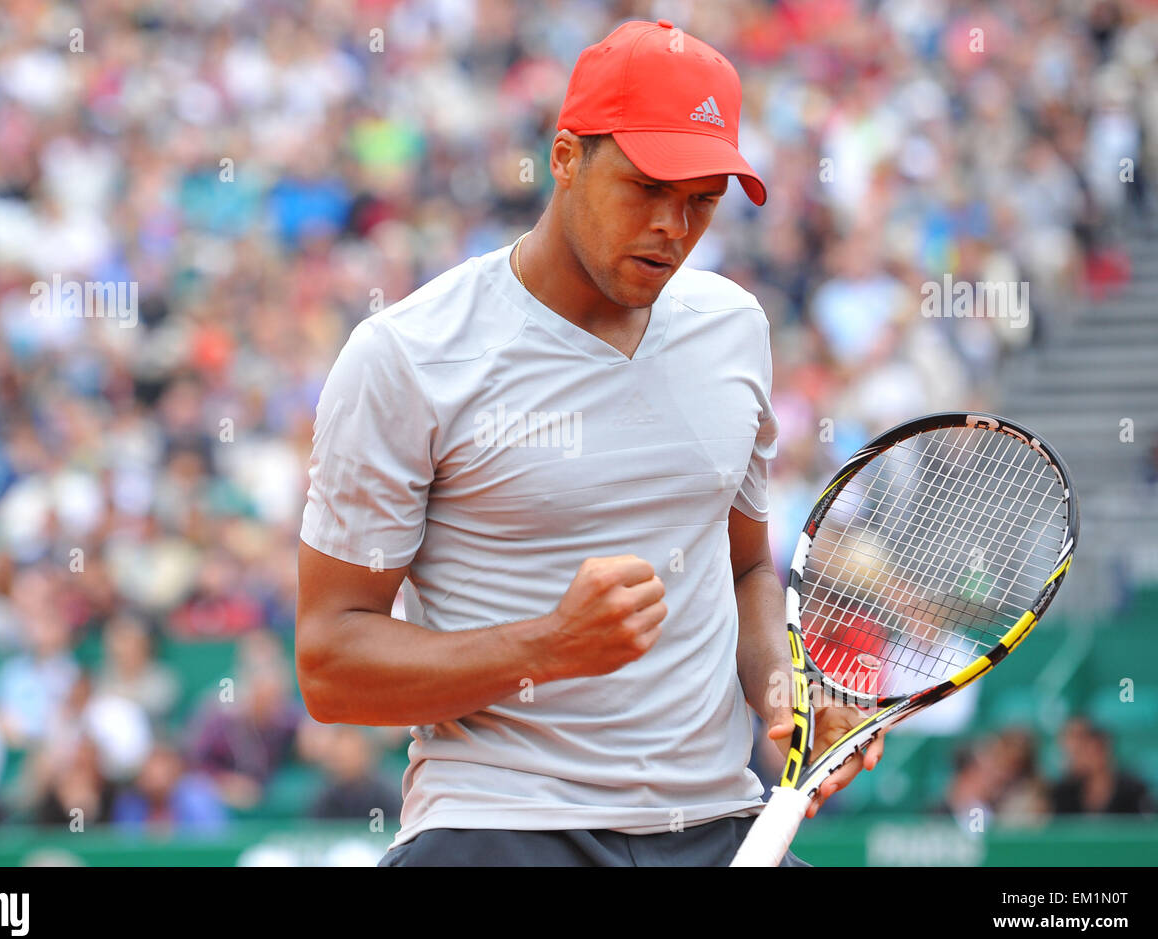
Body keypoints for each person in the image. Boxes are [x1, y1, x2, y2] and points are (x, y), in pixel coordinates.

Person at [295, 19, 881, 867]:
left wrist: (783, 689)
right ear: (565, 158)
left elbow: (747, 566)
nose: (673, 227)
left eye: (703, 200)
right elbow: (330, 663)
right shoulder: (408, 354)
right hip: (500, 825)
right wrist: (549, 647)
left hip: (720, 821)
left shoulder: (733, 327)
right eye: (646, 187)